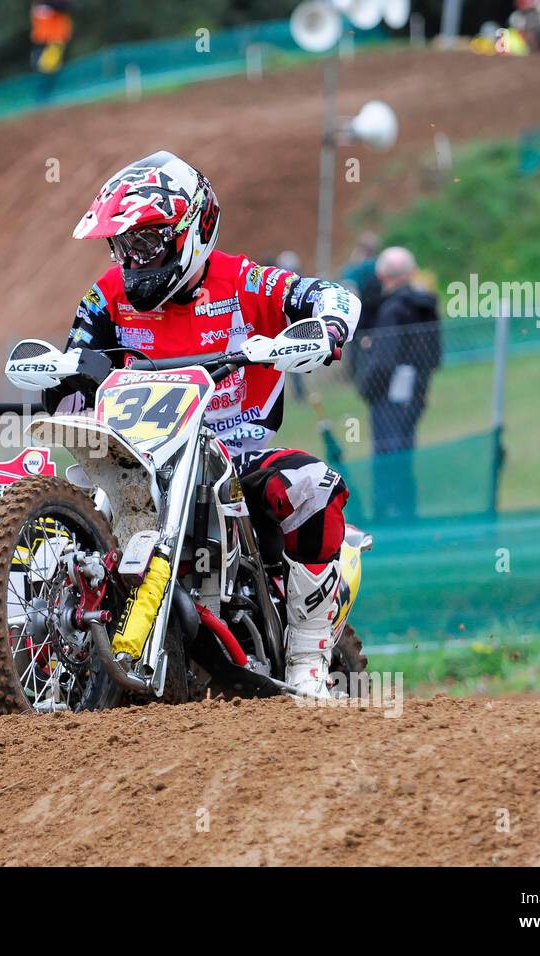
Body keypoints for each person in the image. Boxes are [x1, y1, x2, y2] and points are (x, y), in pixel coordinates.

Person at [45, 150, 361, 698]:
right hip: (137, 460)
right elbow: (75, 358)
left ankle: (308, 652)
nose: (133, 260)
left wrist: (325, 327)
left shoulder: (243, 281)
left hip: (234, 455)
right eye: (123, 246)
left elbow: (332, 296)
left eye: (146, 243)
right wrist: (64, 378)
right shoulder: (108, 294)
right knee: (65, 507)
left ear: (192, 229)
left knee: (309, 485)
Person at [355, 246, 442, 522]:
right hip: (416, 393)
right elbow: (434, 355)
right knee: (404, 453)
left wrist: (366, 387)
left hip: (388, 396)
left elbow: (384, 359)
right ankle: (408, 512)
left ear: (382, 275)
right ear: (412, 272)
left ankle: (388, 516)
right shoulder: (425, 305)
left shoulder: (392, 309)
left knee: (387, 457)